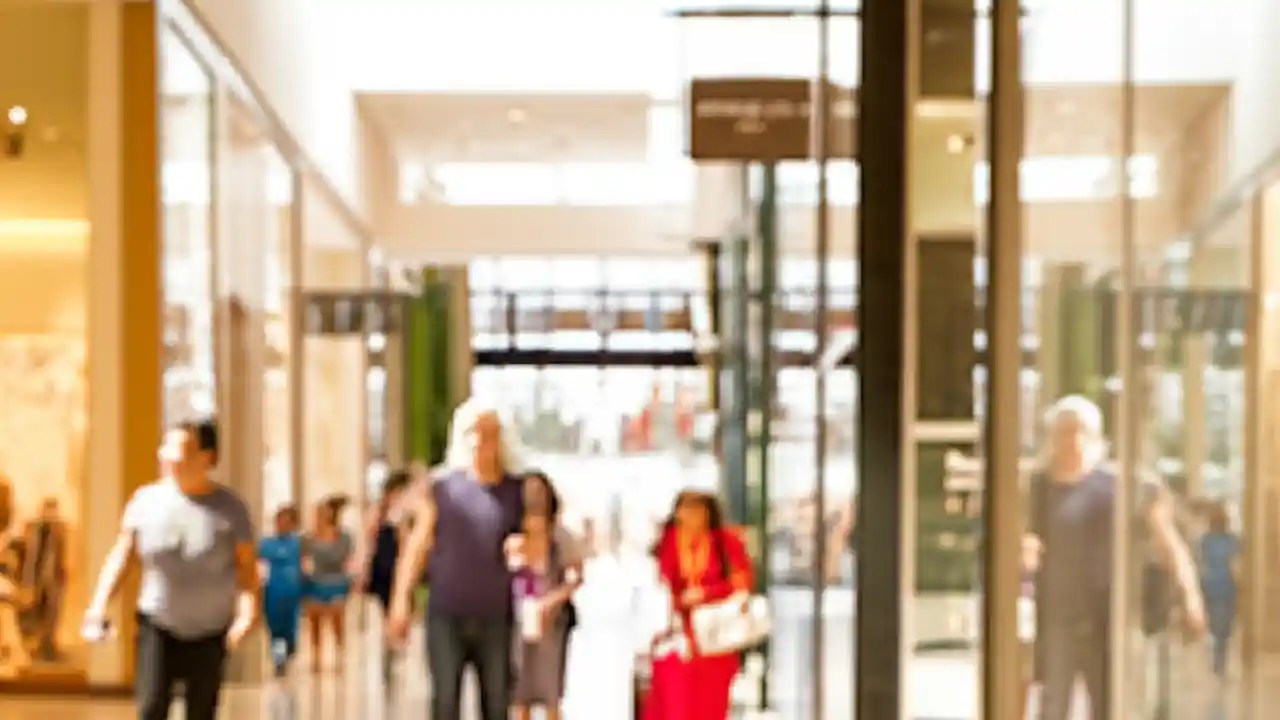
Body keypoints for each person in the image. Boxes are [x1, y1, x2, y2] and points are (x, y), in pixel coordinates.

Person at [1024, 396, 1204, 720]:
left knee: (1107, 703)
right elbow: (1021, 541)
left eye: (1078, 432)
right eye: (1063, 432)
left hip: (1106, 617)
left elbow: (1168, 541)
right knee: (1052, 705)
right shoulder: (1039, 487)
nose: (1071, 441)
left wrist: (1188, 593)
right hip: (1056, 617)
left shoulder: (1118, 486)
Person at [82, 419, 257, 720]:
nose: (171, 456)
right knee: (151, 708)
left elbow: (246, 571)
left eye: (183, 449)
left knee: (201, 712)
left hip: (210, 632)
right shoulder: (145, 501)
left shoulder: (230, 509)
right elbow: (122, 557)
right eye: (167, 448)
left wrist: (246, 614)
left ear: (208, 456)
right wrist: (98, 605)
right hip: (158, 624)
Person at [386, 397, 526, 720]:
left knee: (496, 704)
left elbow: (537, 543)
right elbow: (417, 548)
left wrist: (523, 547)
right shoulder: (441, 488)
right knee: (445, 702)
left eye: (488, 433)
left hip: (496, 616)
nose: (480, 441)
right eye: (473, 433)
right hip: (446, 614)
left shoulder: (516, 491)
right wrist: (400, 600)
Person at [643, 489, 753, 720]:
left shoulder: (726, 541)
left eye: (696, 509)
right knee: (673, 706)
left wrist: (705, 594)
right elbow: (660, 587)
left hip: (714, 640)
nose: (690, 516)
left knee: (710, 707)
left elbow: (741, 581)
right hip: (678, 641)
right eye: (685, 509)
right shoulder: (670, 542)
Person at [509, 470, 584, 720]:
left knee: (551, 691)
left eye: (539, 492)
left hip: (553, 622)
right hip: (516, 619)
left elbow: (575, 576)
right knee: (520, 692)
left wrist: (552, 601)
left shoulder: (561, 537)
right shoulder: (511, 534)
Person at [362, 470, 412, 684]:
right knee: (387, 609)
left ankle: (392, 642)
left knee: (395, 607)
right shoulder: (382, 511)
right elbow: (370, 539)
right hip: (384, 567)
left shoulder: (397, 511)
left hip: (394, 566)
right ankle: (390, 642)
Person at [302, 499, 353, 673]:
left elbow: (341, 556)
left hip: (336, 581)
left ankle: (340, 653)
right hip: (316, 581)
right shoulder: (309, 537)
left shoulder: (343, 536)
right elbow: (304, 556)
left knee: (337, 618)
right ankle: (316, 656)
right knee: (314, 621)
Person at [259, 504, 304, 676]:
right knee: (275, 628)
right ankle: (279, 660)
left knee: (290, 626)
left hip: (292, 592)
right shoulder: (266, 544)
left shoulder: (298, 544)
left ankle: (291, 649)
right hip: (273, 592)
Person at [1199, 501, 1240, 679]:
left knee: (1217, 625)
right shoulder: (1232, 540)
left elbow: (1202, 563)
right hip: (1226, 586)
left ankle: (1218, 661)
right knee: (1225, 626)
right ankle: (1219, 662)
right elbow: (1236, 564)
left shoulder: (1206, 540)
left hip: (1211, 585)